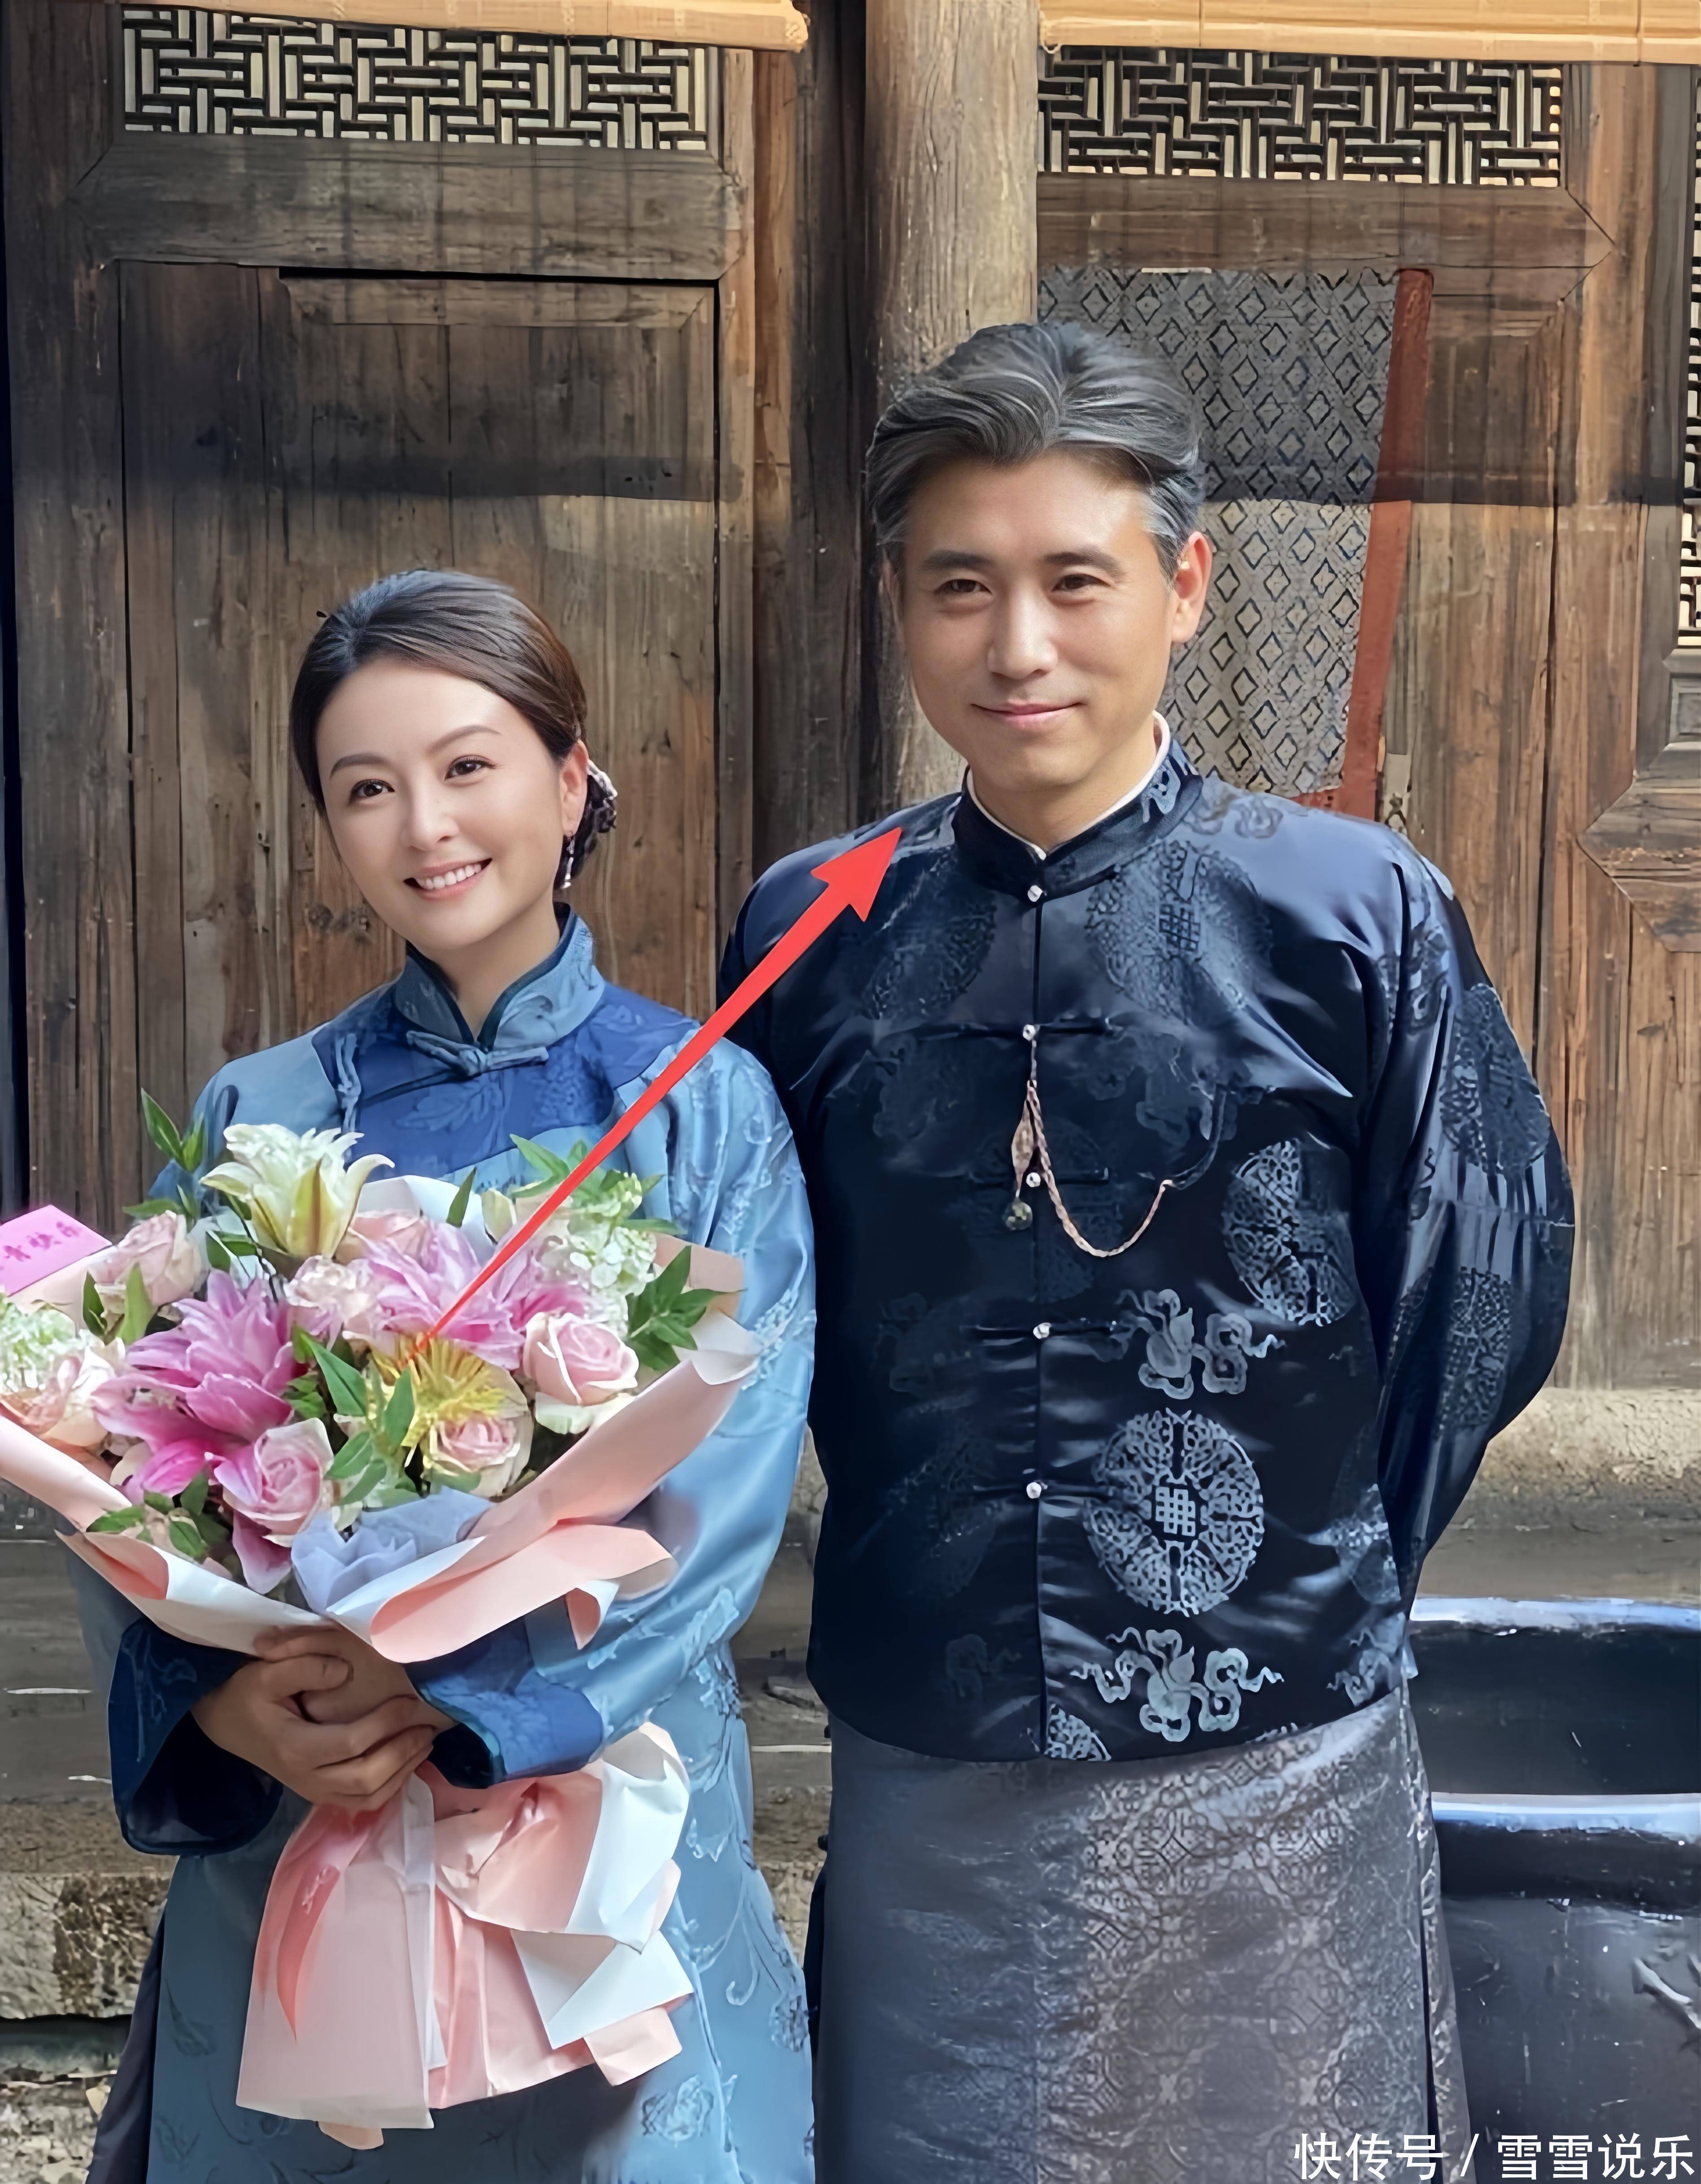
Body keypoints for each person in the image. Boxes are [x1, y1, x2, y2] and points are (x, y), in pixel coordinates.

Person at [720, 322, 1574, 2184]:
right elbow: (752, 1305)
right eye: (962, 588)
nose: (1018, 647)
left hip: (1272, 1743)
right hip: (933, 1720)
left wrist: (1306, 1568)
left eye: (1075, 581)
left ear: (1186, 587)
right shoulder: (810, 931)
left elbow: (1479, 1295)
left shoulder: (1352, 912)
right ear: (899, 605)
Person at [74, 569, 816, 2184]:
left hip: (595, 1812)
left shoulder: (703, 1107)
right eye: (367, 788)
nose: (425, 826)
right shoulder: (260, 1114)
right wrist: (227, 1702)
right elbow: (130, 1451)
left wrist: (466, 1707)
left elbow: (722, 1499)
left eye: (468, 765)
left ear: (571, 776)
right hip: (315, 1797)